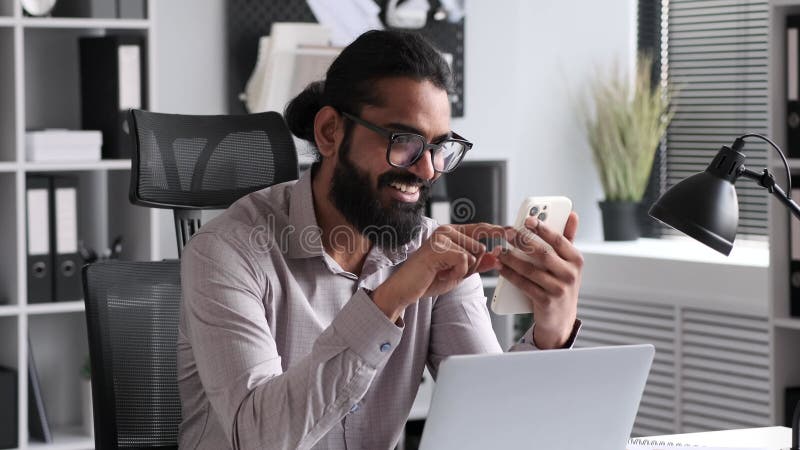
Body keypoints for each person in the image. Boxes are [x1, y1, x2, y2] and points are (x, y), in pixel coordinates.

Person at [178, 29, 584, 450]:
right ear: (330, 132)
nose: (427, 170)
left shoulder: (434, 251)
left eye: (439, 147)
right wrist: (389, 300)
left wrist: (551, 332)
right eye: (403, 142)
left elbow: (496, 424)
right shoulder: (226, 252)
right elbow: (258, 438)